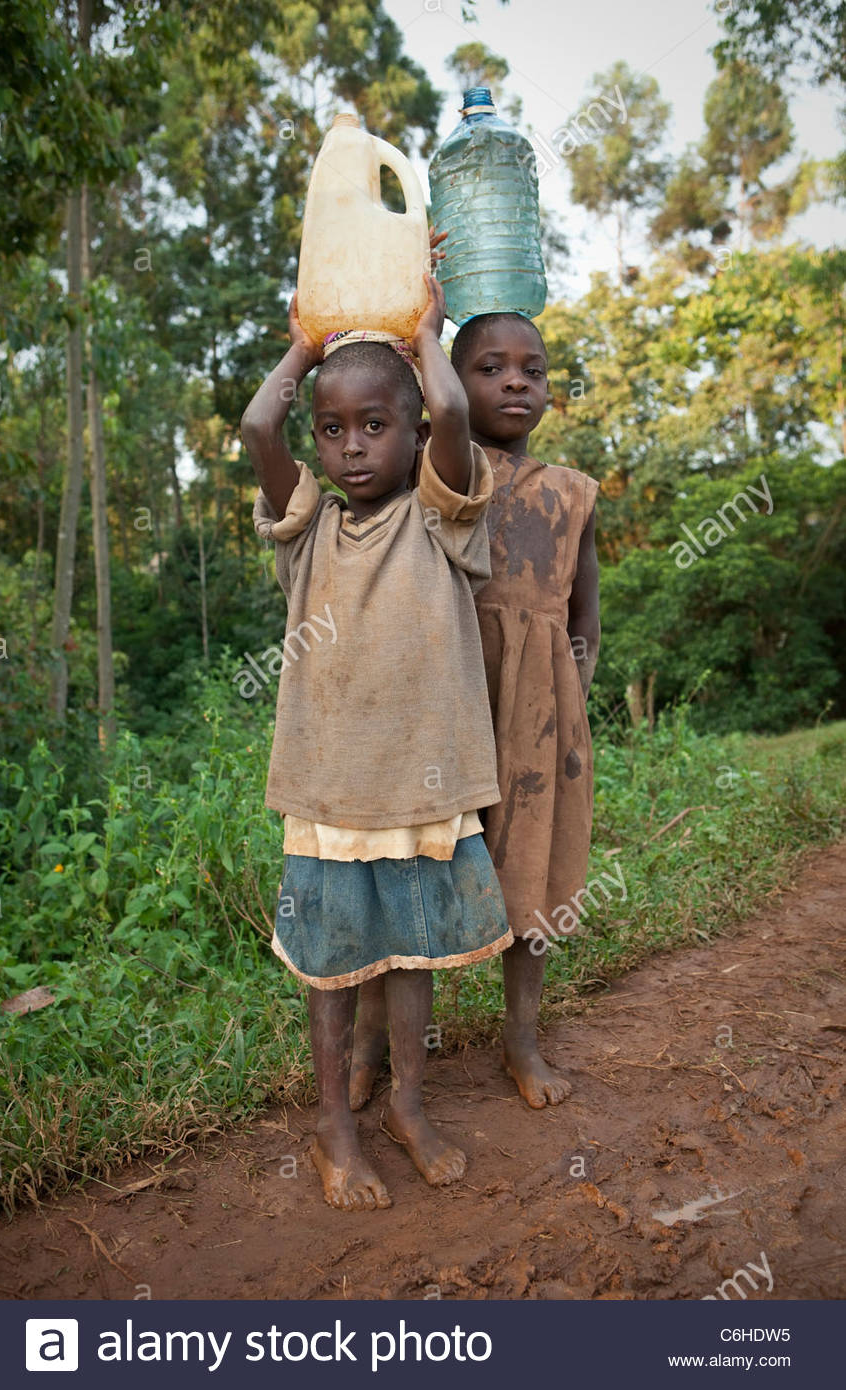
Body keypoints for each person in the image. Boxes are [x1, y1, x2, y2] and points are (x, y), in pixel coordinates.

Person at [240, 276, 512, 1211]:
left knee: (412, 959)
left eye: (373, 426)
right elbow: (255, 429)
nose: (352, 447)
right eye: (333, 428)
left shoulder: (444, 518)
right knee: (333, 968)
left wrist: (423, 331)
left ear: (411, 435)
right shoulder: (306, 529)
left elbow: (444, 400)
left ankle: (406, 1104)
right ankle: (334, 1127)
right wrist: (306, 348)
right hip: (330, 795)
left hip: (422, 791)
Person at [351, 309, 600, 1111]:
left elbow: (584, 617)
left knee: (534, 872)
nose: (516, 381)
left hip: (537, 721)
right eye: (490, 367)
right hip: (437, 709)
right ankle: (369, 1050)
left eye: (532, 368)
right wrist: (409, 315)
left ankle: (522, 1043)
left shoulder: (573, 494)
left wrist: (569, 701)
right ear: (451, 385)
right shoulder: (431, 463)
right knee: (404, 869)